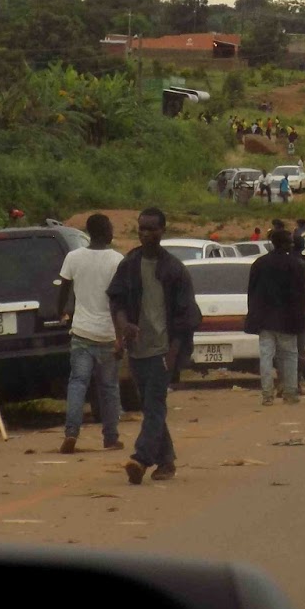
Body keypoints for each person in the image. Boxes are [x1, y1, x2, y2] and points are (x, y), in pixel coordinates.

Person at [109, 208, 200, 485]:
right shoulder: (129, 264)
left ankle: (141, 458)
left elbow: (187, 317)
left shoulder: (174, 270)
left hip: (163, 350)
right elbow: (117, 301)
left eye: (151, 229)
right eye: (142, 228)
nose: (145, 234)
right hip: (138, 349)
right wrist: (123, 328)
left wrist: (173, 353)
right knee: (151, 407)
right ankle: (167, 461)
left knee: (154, 405)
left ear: (162, 231)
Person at [57, 212, 125, 454]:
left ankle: (71, 432)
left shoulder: (73, 257)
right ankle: (111, 437)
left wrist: (61, 312)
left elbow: (64, 291)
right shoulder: (117, 260)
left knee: (78, 383)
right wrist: (120, 337)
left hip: (81, 332)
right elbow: (119, 301)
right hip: (107, 333)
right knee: (109, 388)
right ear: (106, 232)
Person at [246, 226, 305, 406]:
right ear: (285, 244)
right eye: (290, 242)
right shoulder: (296, 265)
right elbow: (300, 294)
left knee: (266, 356)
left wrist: (253, 315)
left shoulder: (259, 264)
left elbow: (252, 292)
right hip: (288, 320)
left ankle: (267, 394)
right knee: (290, 356)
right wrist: (303, 318)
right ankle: (290, 393)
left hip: (265, 319)